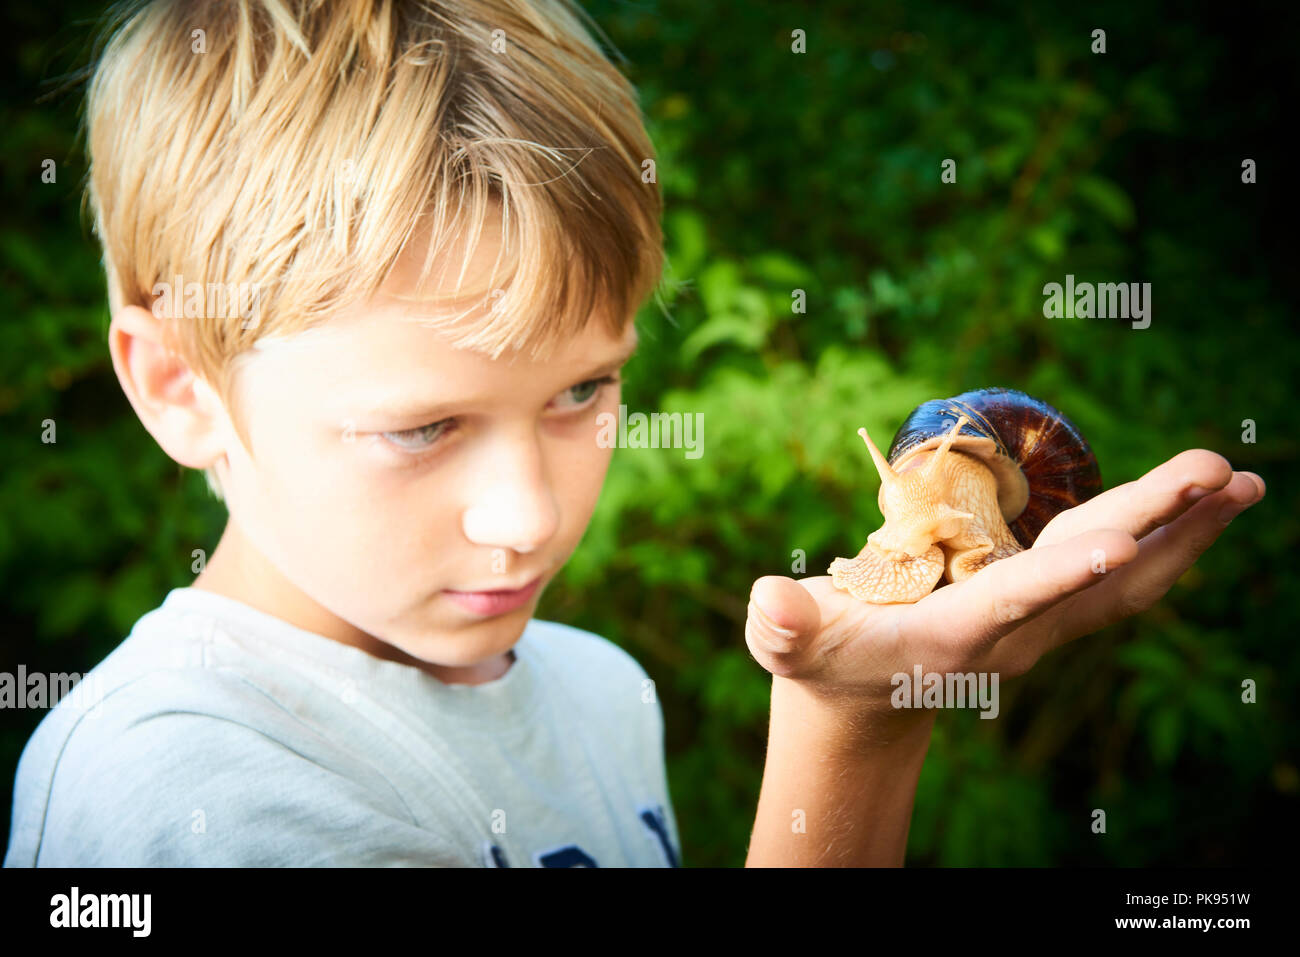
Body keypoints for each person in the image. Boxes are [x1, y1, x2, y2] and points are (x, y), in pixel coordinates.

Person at [4, 0, 1264, 867]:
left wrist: (863, 716)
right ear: (179, 386)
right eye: (422, 425)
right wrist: (852, 730)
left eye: (580, 394)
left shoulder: (597, 691)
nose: (533, 516)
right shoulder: (185, 794)